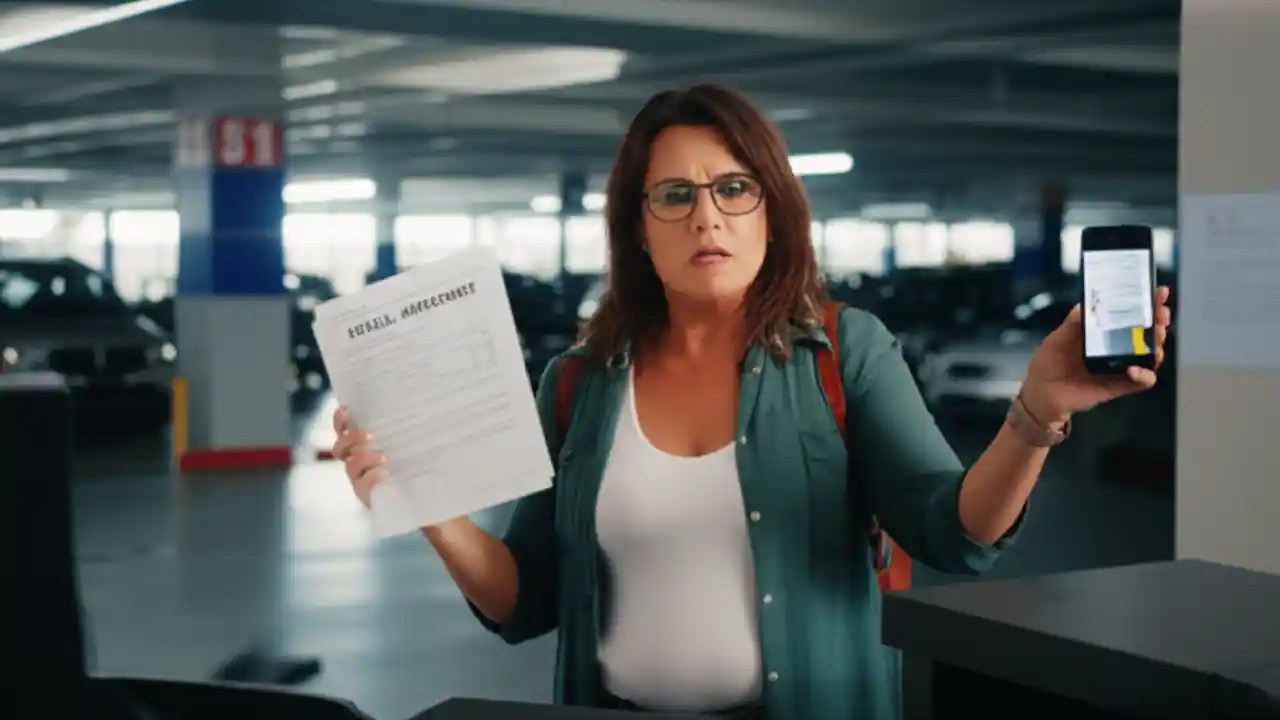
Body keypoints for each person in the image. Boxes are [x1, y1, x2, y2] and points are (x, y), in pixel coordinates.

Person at [331, 84, 1173, 720]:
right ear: (637, 225)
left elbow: (957, 534)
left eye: (735, 189)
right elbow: (524, 604)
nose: (709, 217)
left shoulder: (847, 353)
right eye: (675, 196)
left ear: (773, 212)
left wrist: (1035, 411)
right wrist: (429, 507)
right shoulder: (579, 384)